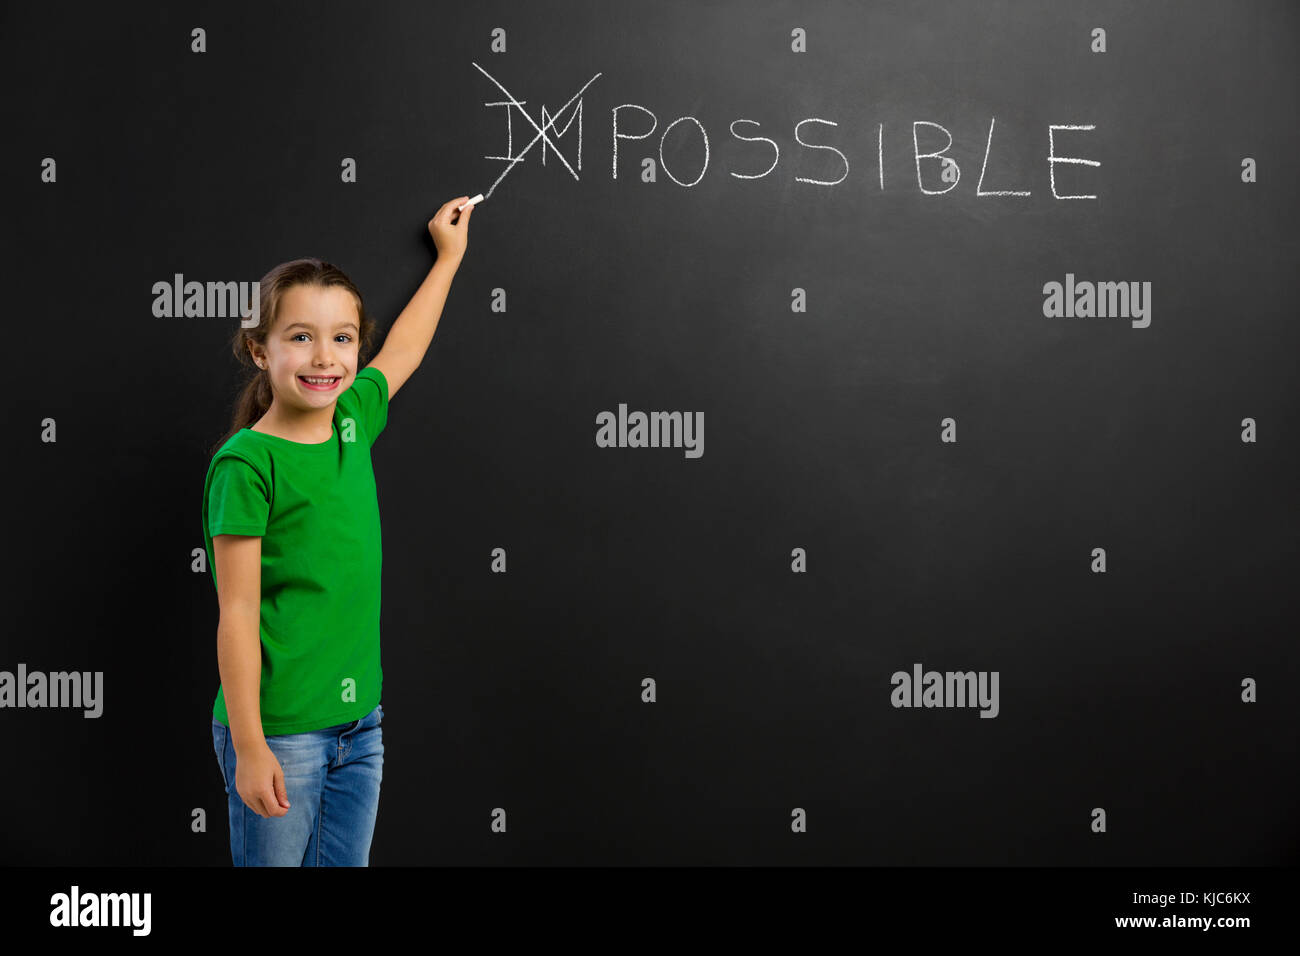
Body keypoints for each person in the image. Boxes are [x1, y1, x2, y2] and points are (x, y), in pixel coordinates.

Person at [204, 196, 474, 865]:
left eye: (342, 338)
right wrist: (248, 744)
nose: (324, 357)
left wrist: (449, 259)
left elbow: (405, 349)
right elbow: (236, 613)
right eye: (300, 336)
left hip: (363, 728)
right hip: (282, 733)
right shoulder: (247, 463)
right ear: (257, 349)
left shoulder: (354, 420)